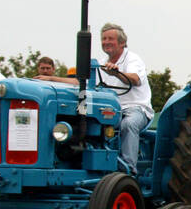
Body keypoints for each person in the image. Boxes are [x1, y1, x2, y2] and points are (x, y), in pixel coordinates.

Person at [35, 23, 154, 172]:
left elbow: (135, 79)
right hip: (108, 110)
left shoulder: (132, 59)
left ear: (122, 42)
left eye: (110, 38)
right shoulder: (101, 64)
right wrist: (52, 79)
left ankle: (128, 169)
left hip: (134, 108)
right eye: (103, 39)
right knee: (83, 123)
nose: (106, 42)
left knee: (128, 124)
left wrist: (116, 73)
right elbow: (81, 83)